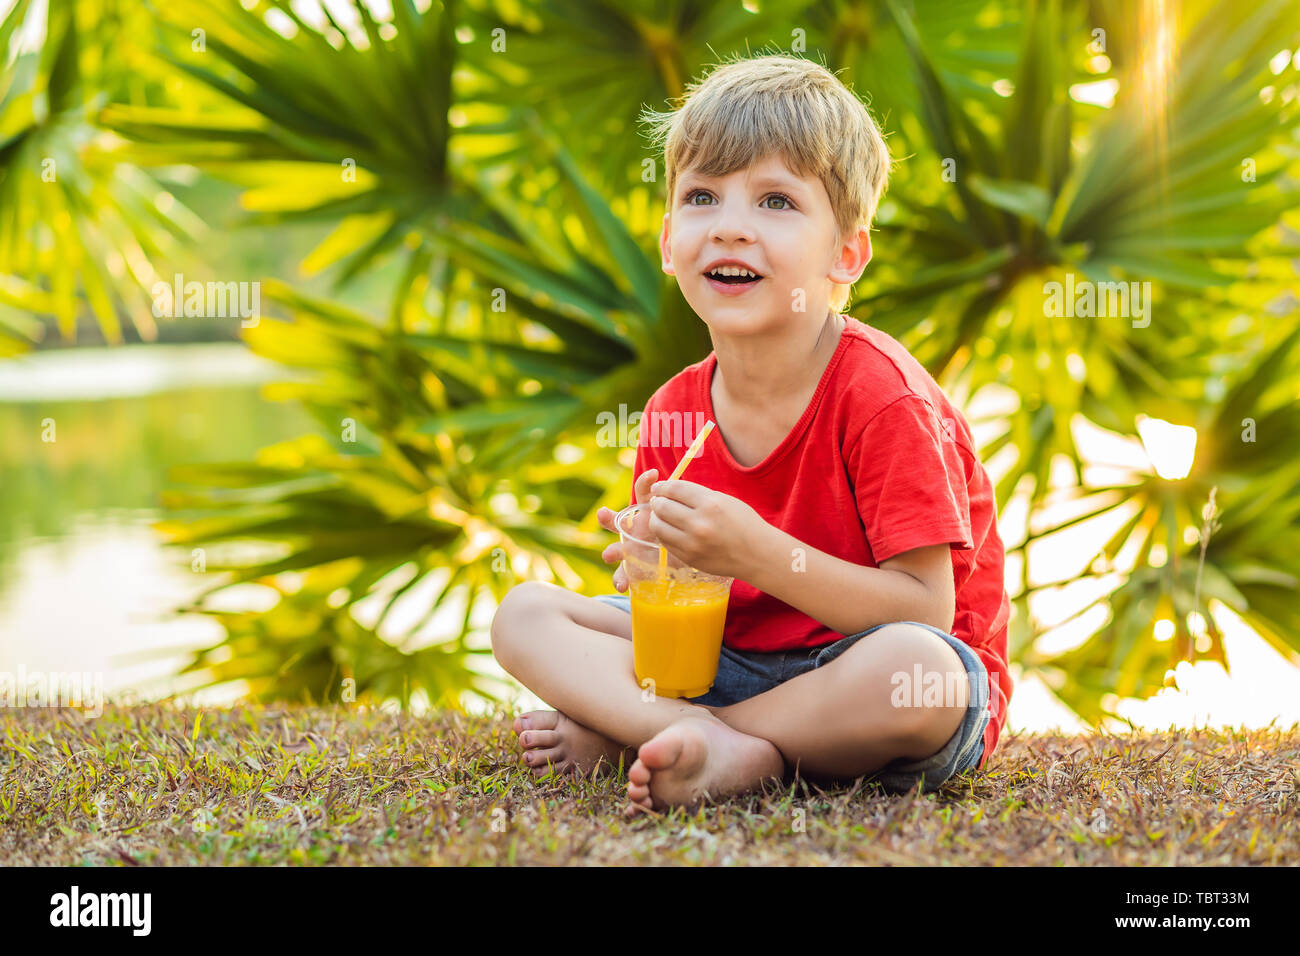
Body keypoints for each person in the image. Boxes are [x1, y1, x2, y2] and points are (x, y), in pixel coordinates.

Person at [491, 53, 1011, 816]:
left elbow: (923, 613)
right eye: (703, 197)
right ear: (670, 242)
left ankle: (692, 740)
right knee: (524, 615)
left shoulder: (879, 397)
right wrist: (652, 567)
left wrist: (756, 553)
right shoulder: (675, 408)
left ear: (846, 255)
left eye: (775, 201)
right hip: (732, 662)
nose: (730, 228)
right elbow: (682, 613)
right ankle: (708, 738)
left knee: (914, 675)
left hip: (871, 675)